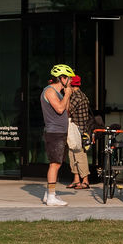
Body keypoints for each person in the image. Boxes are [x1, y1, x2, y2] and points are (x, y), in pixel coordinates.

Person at [39, 64, 87, 207]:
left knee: (58, 163)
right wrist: (67, 94)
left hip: (61, 131)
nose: (71, 81)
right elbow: (60, 109)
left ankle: (49, 194)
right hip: (54, 132)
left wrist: (66, 95)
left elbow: (66, 111)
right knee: (55, 164)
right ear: (62, 78)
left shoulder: (59, 92)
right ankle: (51, 196)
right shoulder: (50, 91)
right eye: (69, 78)